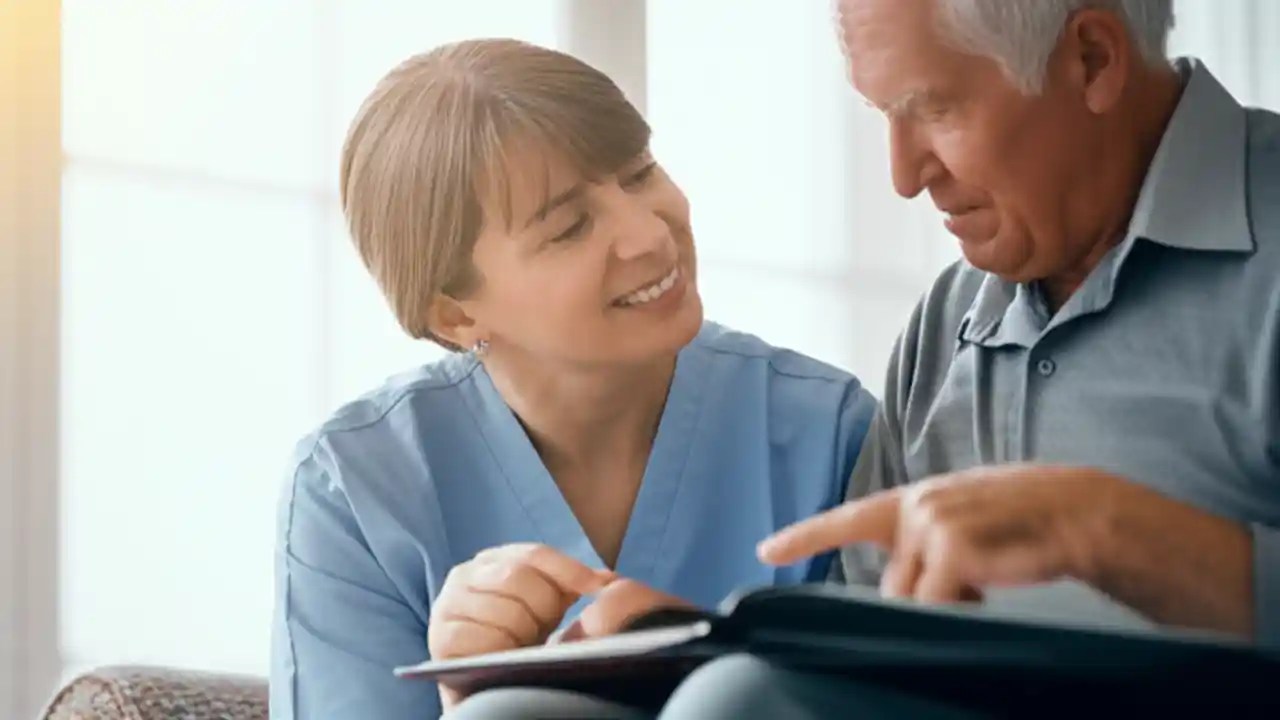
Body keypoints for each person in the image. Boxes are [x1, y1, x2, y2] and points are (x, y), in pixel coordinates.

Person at [456, 0, 1280, 716]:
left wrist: (1106, 529)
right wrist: (674, 644)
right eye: (884, 114)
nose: (903, 175)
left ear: (1091, 59)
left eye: (937, 108)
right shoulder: (952, 317)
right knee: (517, 714)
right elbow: (867, 652)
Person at [268, 38, 877, 719]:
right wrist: (461, 702)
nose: (648, 235)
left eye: (640, 172)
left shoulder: (831, 432)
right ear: (452, 311)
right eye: (568, 228)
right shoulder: (356, 491)